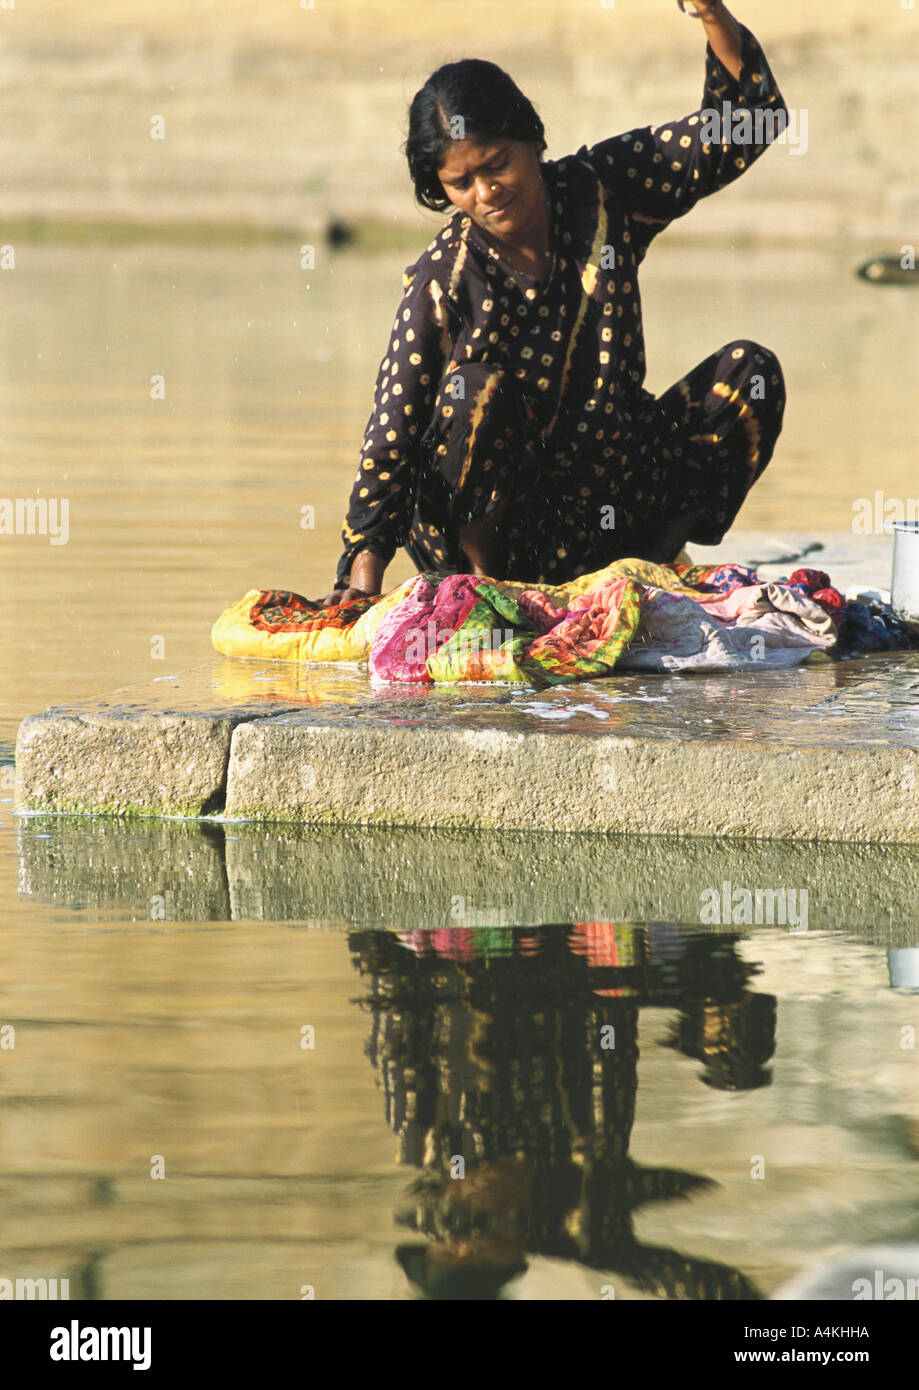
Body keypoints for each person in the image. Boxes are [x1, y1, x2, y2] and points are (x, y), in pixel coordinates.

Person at [320, 0, 787, 608]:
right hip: (487, 534)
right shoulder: (444, 278)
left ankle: (649, 571)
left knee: (747, 374)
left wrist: (708, 12)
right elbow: (392, 435)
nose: (485, 193)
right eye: (461, 183)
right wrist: (359, 586)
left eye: (496, 166)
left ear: (531, 141)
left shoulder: (604, 189)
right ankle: (494, 592)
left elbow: (744, 127)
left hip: (603, 504)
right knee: (475, 390)